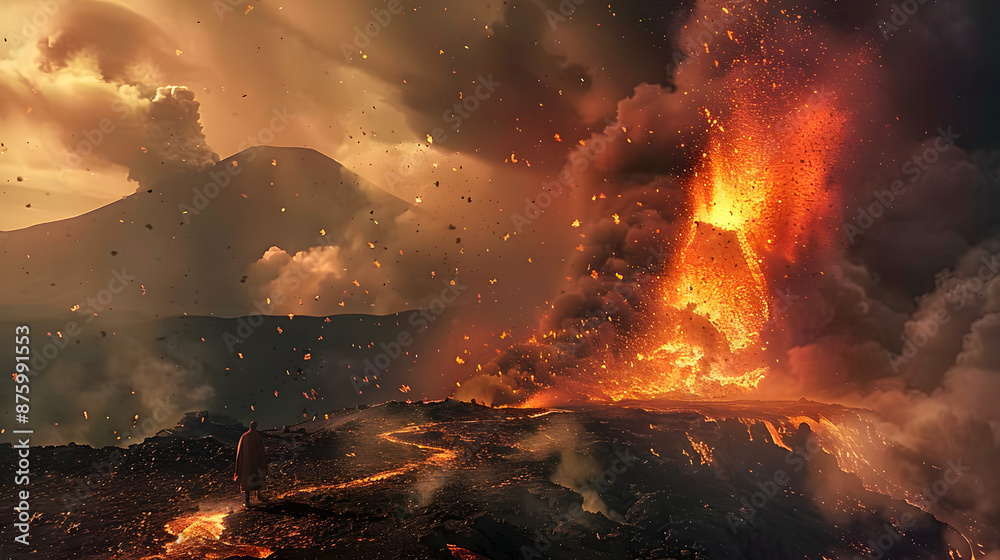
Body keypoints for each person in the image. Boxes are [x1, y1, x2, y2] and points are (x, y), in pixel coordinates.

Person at [234, 420, 267, 507]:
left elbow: (240, 453)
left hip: (246, 465)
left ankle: (248, 501)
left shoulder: (244, 436)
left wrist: (238, 469)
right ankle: (259, 496)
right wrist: (263, 465)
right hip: (256, 464)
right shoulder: (257, 436)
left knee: (247, 482)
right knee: (257, 478)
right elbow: (261, 452)